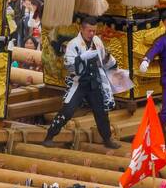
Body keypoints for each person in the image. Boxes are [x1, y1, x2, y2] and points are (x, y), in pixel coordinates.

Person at [41, 17, 121, 149]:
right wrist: (81, 58)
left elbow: (105, 58)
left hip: (94, 82)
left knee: (101, 112)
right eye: (89, 31)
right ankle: (49, 136)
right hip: (79, 83)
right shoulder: (73, 44)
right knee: (67, 111)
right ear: (82, 29)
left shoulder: (97, 41)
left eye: (94, 31)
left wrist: (109, 59)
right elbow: (69, 65)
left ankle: (107, 139)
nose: (92, 34)